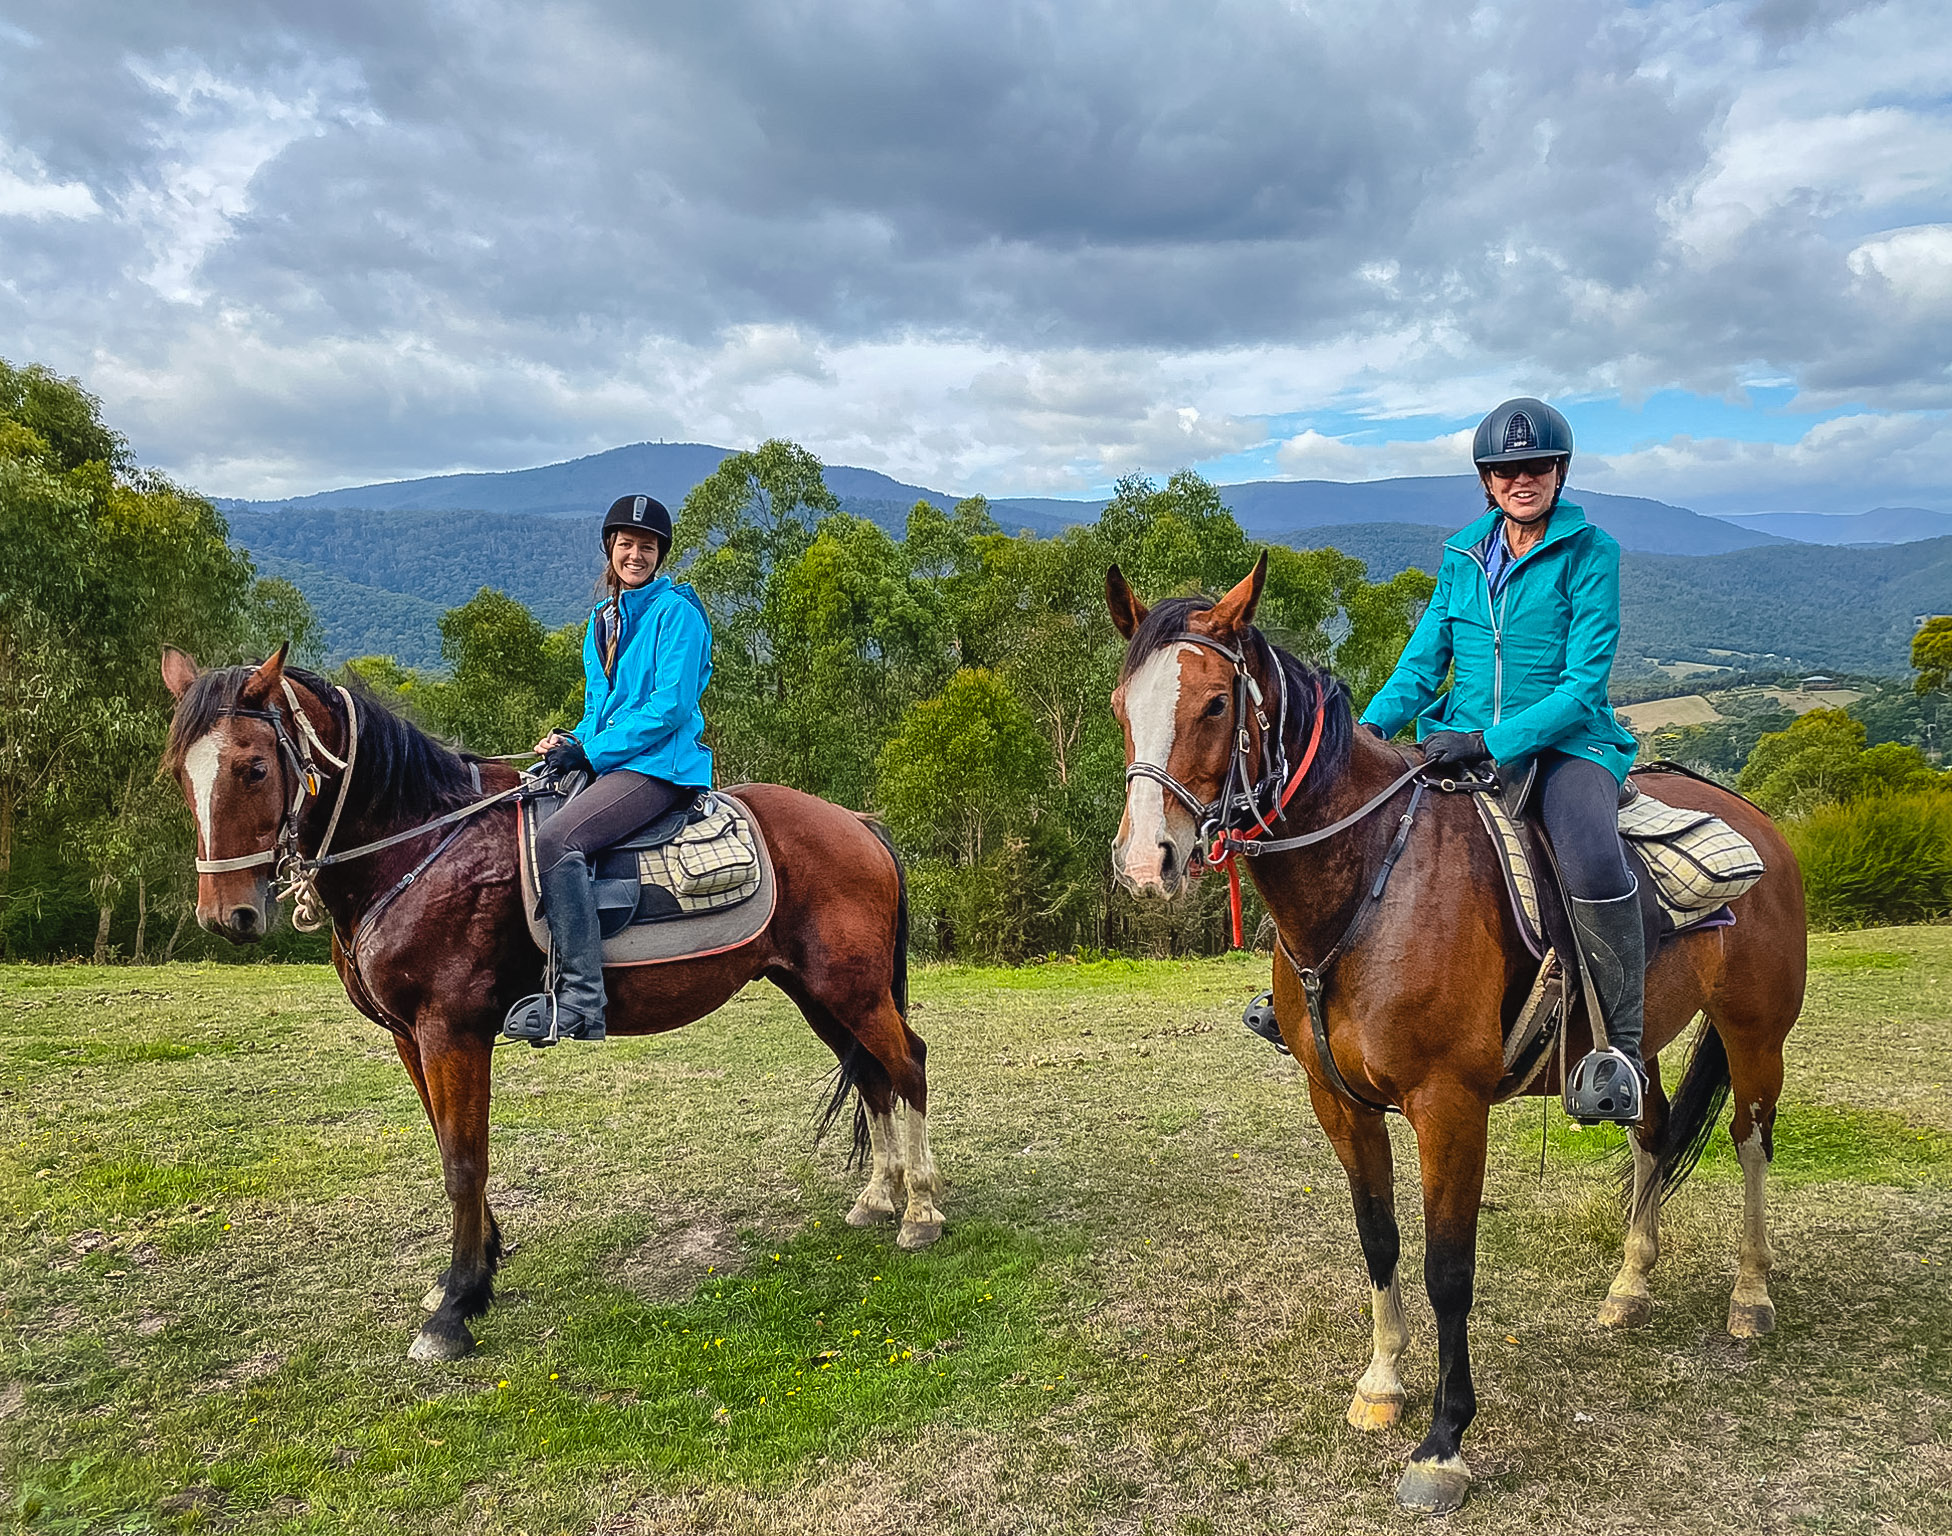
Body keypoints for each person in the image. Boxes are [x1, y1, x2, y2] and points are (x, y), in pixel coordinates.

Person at [1359, 397, 1645, 1121]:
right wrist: (1359, 739)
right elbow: (1422, 666)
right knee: (1358, 828)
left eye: (1537, 466)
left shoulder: (1591, 553)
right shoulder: (1461, 556)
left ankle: (1622, 1055)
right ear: (1487, 480)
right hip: (1453, 739)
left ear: (1560, 472)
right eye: (1507, 469)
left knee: (1590, 853)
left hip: (1565, 747)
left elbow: (1583, 688)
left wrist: (1489, 741)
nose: (1523, 479)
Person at [502, 493, 714, 1045]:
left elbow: (668, 707)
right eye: (626, 544)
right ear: (610, 549)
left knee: (557, 841)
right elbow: (601, 706)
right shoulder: (603, 620)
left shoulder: (679, 616)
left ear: (659, 554)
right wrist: (572, 740)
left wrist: (592, 754)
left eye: (646, 546)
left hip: (661, 766)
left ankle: (580, 1001)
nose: (635, 555)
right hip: (615, 757)